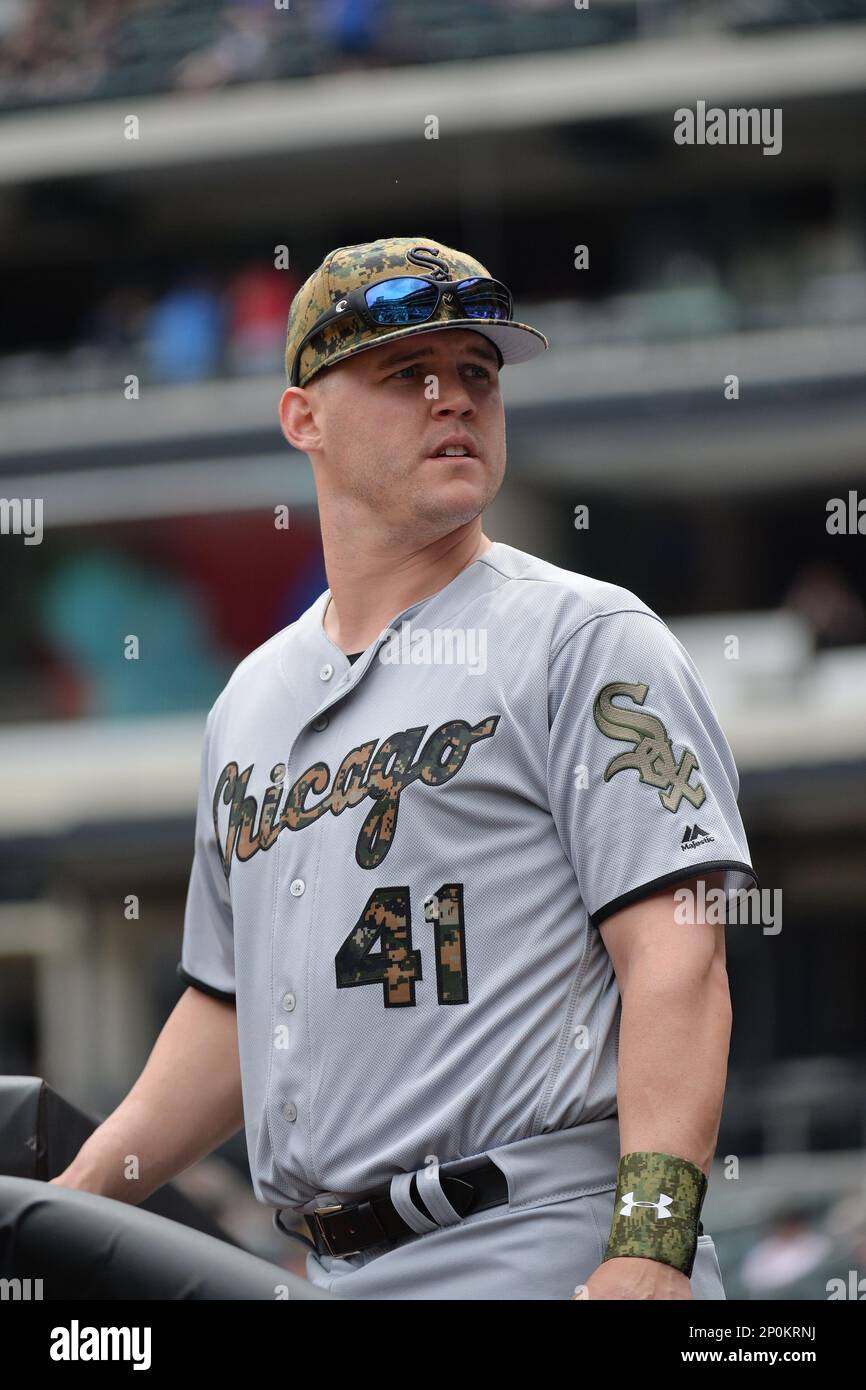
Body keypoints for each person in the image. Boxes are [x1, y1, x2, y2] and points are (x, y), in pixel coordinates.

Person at [53, 236, 757, 1301]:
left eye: (475, 374)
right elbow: (230, 1012)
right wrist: (68, 1202)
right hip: (328, 1267)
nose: (454, 401)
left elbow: (676, 967)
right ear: (304, 419)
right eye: (404, 376)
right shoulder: (251, 697)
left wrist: (648, 1245)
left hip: (540, 1239)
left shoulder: (579, 638)